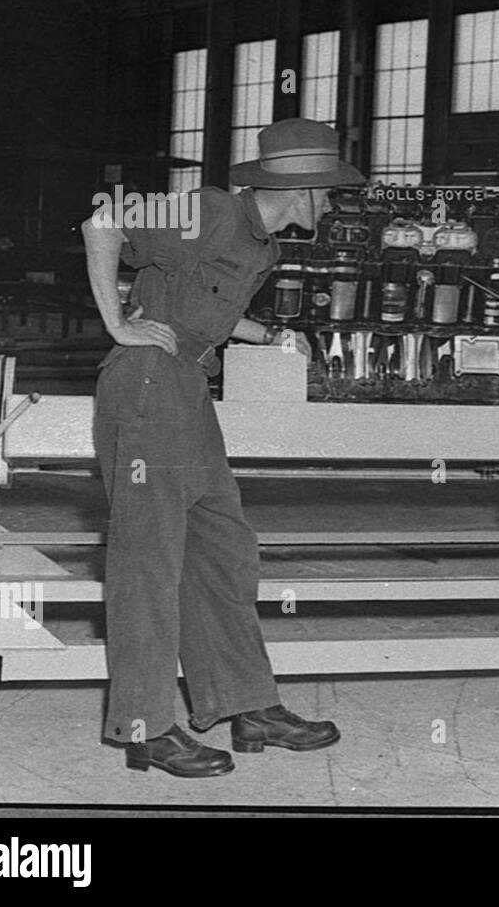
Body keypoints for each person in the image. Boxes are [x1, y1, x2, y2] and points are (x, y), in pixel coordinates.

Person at [83, 118, 359, 777]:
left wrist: (270, 336)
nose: (332, 205)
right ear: (304, 188)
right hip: (147, 386)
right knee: (149, 560)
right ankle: (144, 726)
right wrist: (119, 322)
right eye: (329, 193)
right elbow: (102, 223)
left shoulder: (260, 245)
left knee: (223, 547)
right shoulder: (207, 209)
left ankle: (249, 705)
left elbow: (204, 306)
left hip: (188, 389)